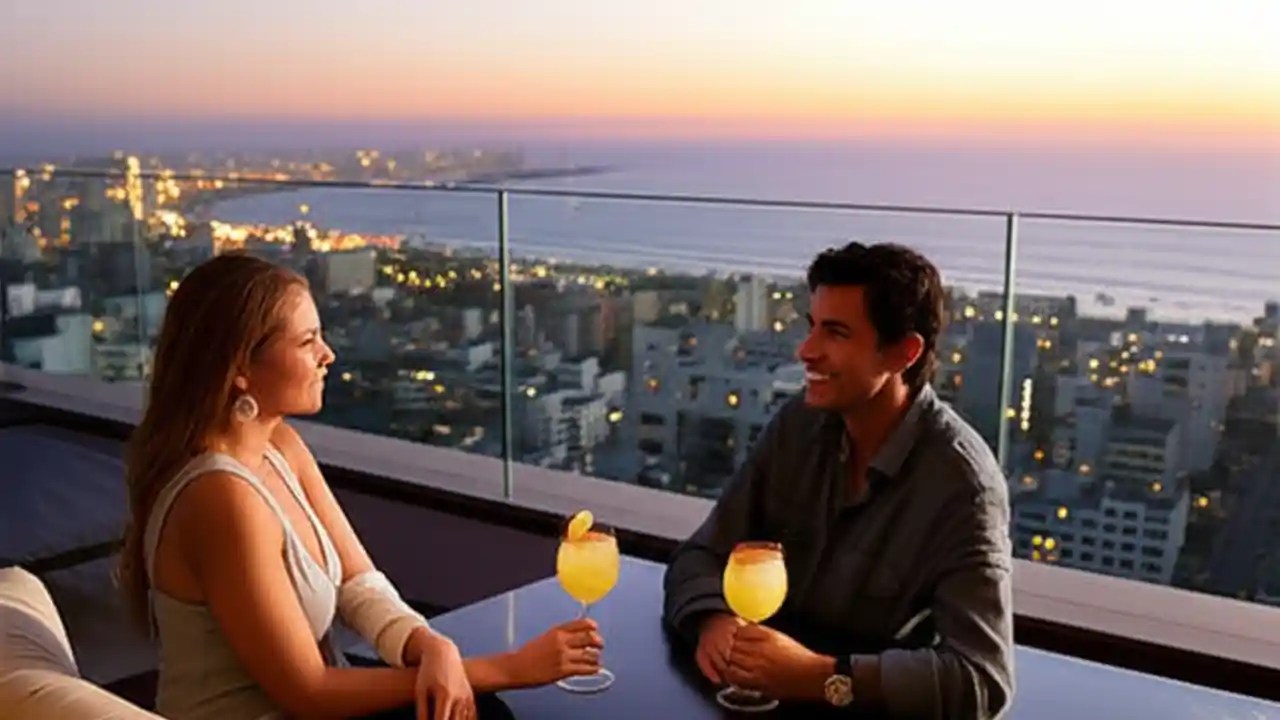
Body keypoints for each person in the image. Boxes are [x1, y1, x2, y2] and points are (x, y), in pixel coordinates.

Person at [118, 253, 603, 720]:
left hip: (312, 703)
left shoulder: (279, 444)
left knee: (478, 710)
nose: (328, 355)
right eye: (308, 341)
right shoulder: (219, 498)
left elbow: (359, 585)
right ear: (240, 368)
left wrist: (433, 647)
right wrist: (507, 668)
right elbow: (307, 692)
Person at [663, 242, 1014, 718]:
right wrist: (712, 619)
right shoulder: (798, 426)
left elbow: (982, 681)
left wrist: (821, 677)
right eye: (812, 328)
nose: (806, 350)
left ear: (903, 353)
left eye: (836, 333)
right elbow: (702, 553)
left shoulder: (962, 487)